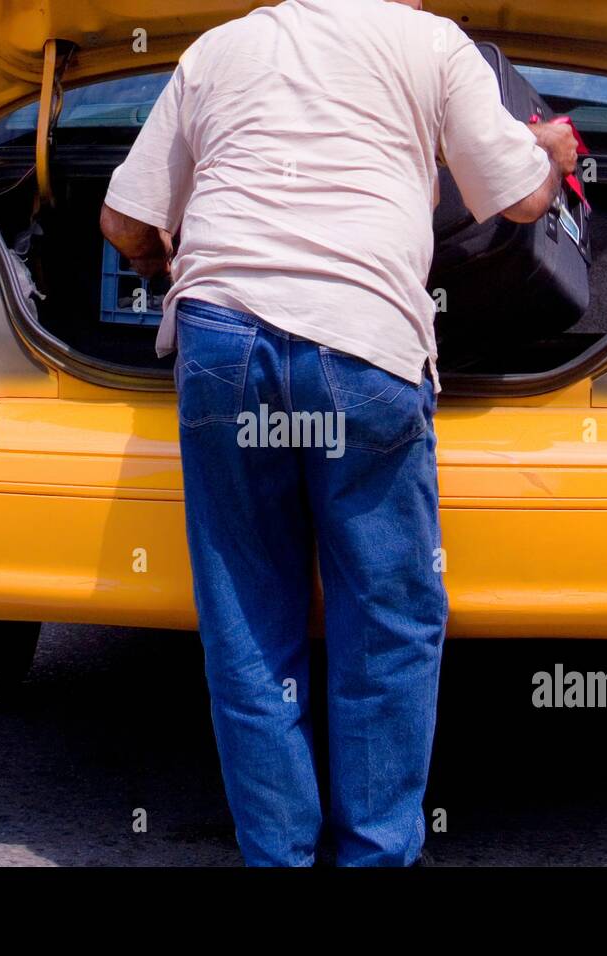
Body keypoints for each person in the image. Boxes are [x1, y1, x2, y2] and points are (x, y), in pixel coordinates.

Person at [100, 0, 577, 866]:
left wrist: (163, 270)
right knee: (387, 621)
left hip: (223, 345)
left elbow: (123, 221)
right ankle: (377, 854)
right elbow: (518, 200)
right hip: (362, 347)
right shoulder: (430, 42)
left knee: (248, 623)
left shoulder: (220, 46)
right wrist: (552, 151)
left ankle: (278, 856)